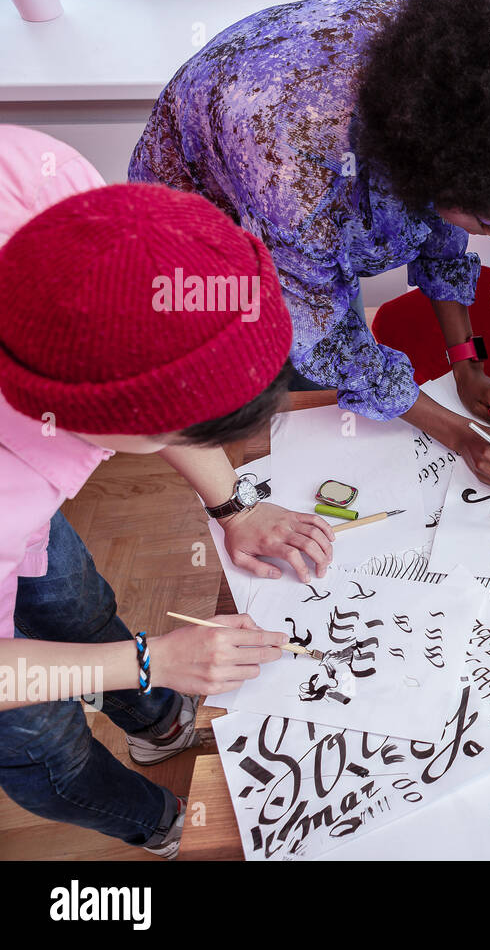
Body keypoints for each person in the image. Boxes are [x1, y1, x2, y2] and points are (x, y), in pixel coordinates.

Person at [129, 0, 490, 496]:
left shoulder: (454, 78)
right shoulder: (295, 168)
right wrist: (459, 434)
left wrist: (468, 368)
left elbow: (440, 229)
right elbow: (327, 333)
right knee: (289, 385)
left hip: (301, 163)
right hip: (208, 214)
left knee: (332, 349)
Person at [0, 183, 317, 857]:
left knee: (75, 603)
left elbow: (146, 351)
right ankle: (158, 820)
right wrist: (154, 658)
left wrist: (235, 505)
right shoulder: (10, 494)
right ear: (114, 427)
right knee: (43, 744)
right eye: (196, 432)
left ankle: (159, 723)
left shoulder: (60, 202)